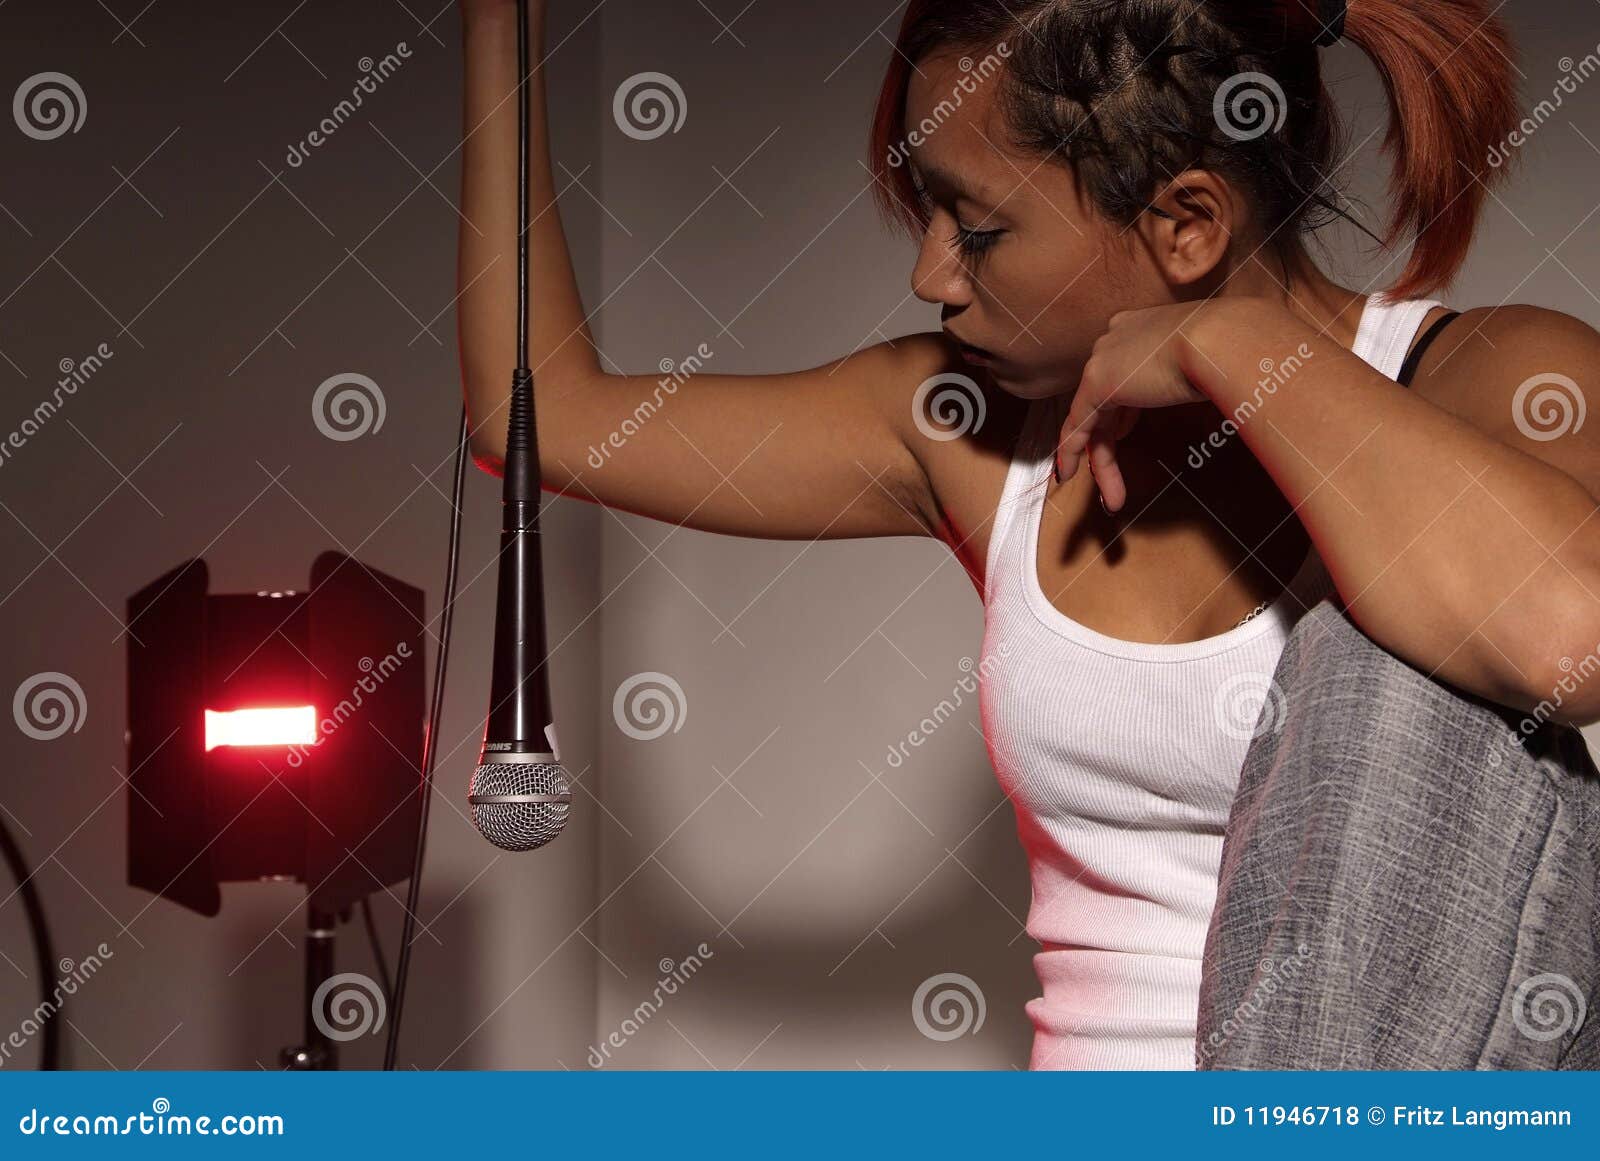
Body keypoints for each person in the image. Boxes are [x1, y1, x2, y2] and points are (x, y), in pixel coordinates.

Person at [456, 0, 1600, 1068]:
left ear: (1187, 225)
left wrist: (1239, 351)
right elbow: (541, 416)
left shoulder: (1491, 379)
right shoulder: (971, 431)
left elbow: (1570, 642)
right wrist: (499, 25)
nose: (928, 274)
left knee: (1396, 644)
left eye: (976, 226)